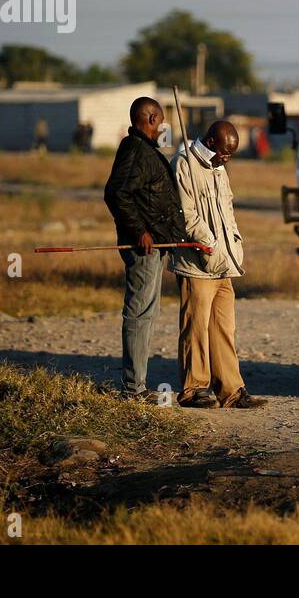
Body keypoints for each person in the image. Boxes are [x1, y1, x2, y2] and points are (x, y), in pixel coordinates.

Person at [103, 96, 197, 400]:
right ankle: (133, 389)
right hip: (142, 247)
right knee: (139, 313)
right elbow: (116, 194)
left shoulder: (145, 150)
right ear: (152, 119)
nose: (165, 126)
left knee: (148, 312)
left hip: (156, 246)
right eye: (162, 120)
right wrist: (139, 230)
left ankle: (137, 386)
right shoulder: (135, 150)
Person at [169, 120, 267, 409]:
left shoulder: (219, 167)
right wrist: (208, 244)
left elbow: (228, 210)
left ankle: (232, 391)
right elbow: (185, 215)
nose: (228, 158)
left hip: (225, 262)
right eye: (225, 152)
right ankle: (193, 390)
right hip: (196, 263)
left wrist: (233, 246)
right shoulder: (184, 163)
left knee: (224, 327)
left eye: (231, 154)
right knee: (195, 327)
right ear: (211, 141)